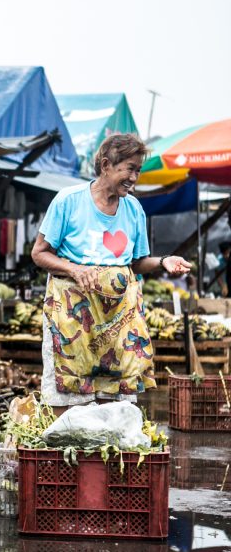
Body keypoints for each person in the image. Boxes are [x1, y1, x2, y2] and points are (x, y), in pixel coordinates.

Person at [31, 133, 192, 412]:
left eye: (138, 170)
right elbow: (39, 252)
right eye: (129, 168)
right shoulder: (68, 201)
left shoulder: (134, 209)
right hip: (73, 316)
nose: (134, 177)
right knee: (68, 392)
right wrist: (74, 268)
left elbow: (137, 262)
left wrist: (163, 261)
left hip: (117, 319)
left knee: (115, 398)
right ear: (106, 165)